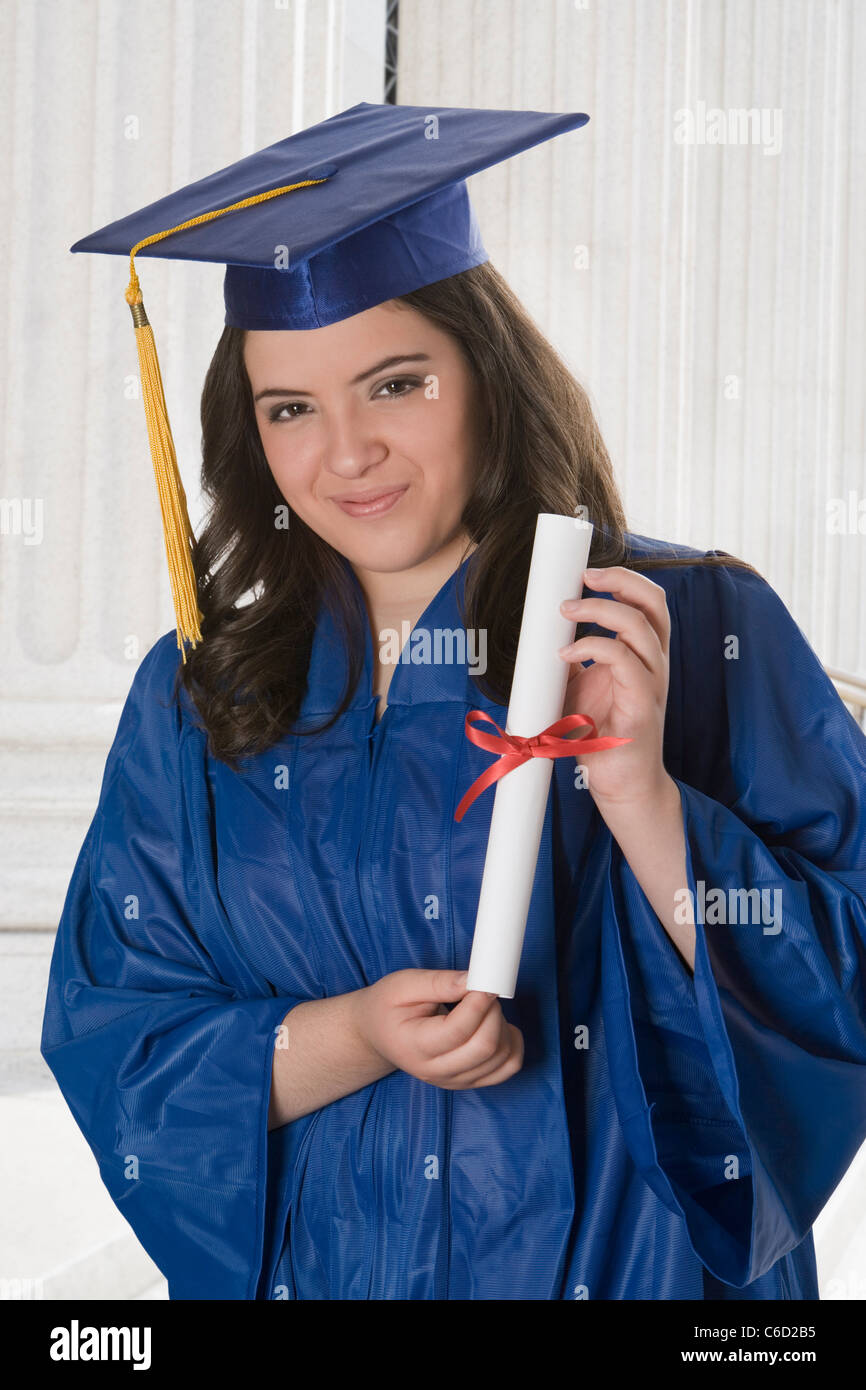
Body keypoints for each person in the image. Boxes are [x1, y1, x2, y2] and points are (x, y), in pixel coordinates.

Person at [42, 101, 866, 1301]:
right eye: (290, 409)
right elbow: (120, 1039)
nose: (346, 453)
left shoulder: (686, 623)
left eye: (395, 383)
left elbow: (839, 980)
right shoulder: (200, 695)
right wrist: (354, 1035)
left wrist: (640, 796)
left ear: (485, 373)